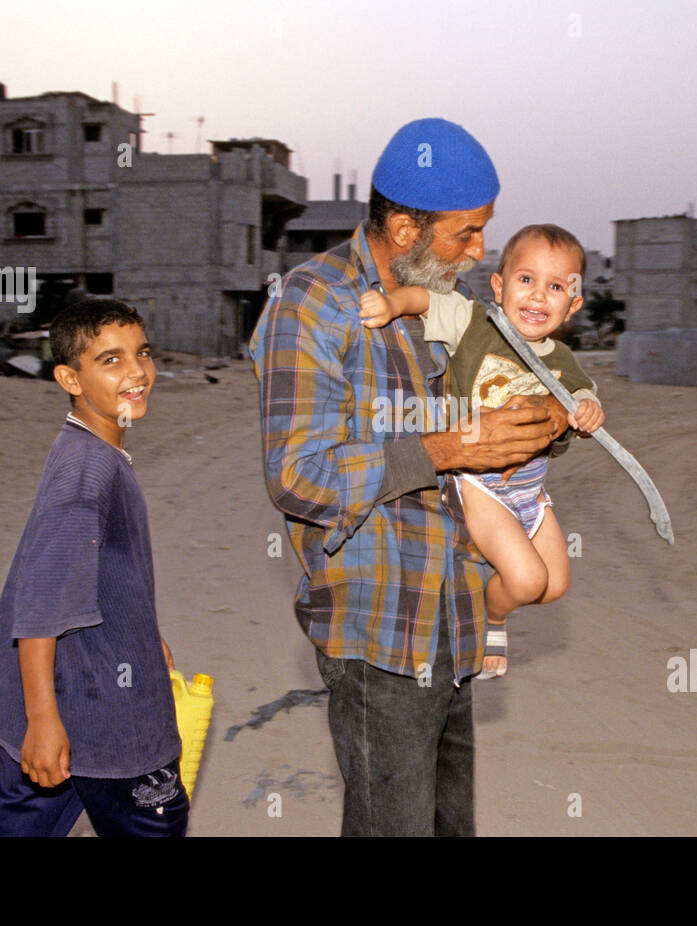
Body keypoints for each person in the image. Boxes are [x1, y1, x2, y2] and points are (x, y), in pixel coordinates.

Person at [249, 118, 570, 836]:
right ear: (403, 228)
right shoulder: (314, 302)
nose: (481, 250)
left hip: (453, 624)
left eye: (486, 230)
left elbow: (497, 429)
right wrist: (446, 448)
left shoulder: (446, 307)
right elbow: (297, 477)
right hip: (381, 636)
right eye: (466, 233)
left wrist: (543, 422)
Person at [0, 297, 187, 837]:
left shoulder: (88, 453)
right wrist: (42, 722)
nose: (136, 372)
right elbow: (39, 606)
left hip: (68, 699)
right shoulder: (86, 471)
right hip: (104, 723)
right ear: (70, 377)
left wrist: (142, 638)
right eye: (110, 360)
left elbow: (97, 577)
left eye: (142, 353)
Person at [358, 223, 603, 678]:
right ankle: (492, 618)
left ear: (572, 305)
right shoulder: (475, 323)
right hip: (480, 486)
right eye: (525, 279)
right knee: (528, 580)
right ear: (499, 284)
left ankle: (494, 600)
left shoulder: (562, 359)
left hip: (531, 492)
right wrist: (392, 304)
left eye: (555, 287)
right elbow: (427, 300)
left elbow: (585, 396)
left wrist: (588, 409)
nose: (537, 296)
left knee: (555, 587)